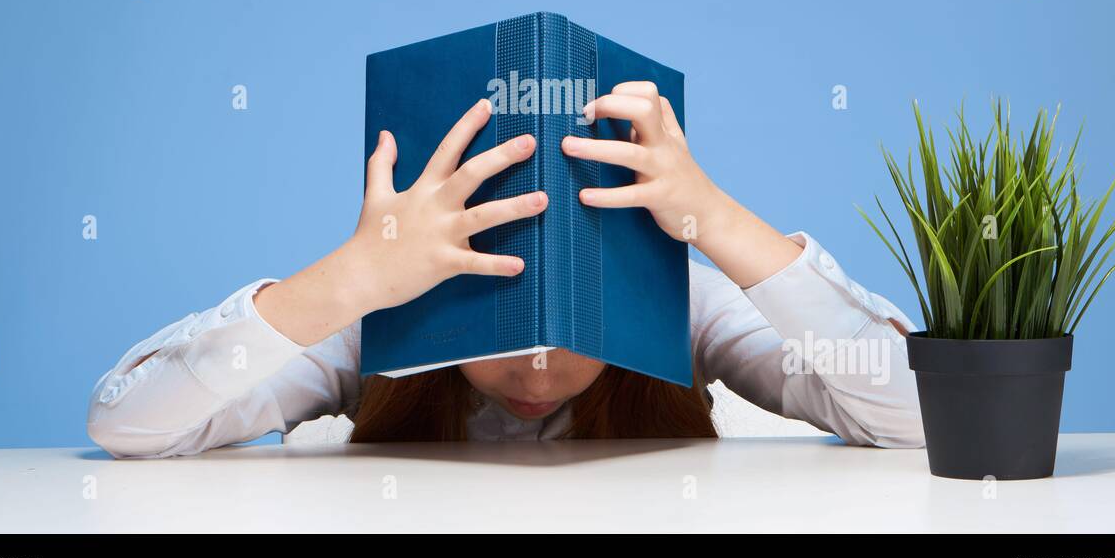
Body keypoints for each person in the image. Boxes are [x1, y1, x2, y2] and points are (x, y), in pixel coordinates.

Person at [87, 82, 923, 455]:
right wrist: (354, 278)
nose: (538, 366)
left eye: (570, 328)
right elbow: (129, 424)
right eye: (509, 321)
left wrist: (720, 218)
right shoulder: (381, 322)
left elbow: (920, 417)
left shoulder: (686, 303)